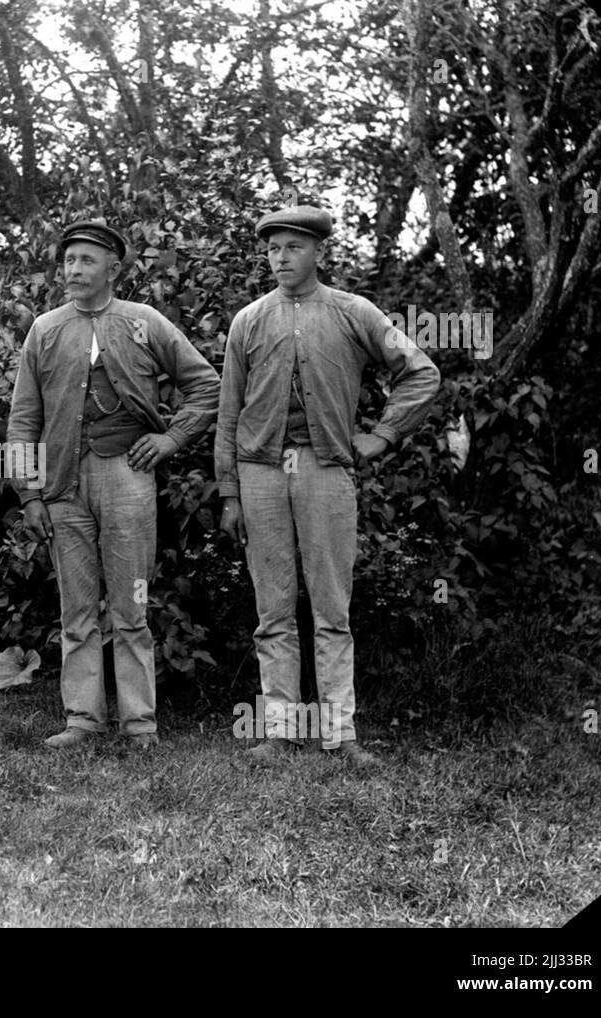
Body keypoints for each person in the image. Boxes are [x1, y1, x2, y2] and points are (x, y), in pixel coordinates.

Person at [214, 205, 441, 768]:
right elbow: (227, 413)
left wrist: (383, 435)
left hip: (326, 470)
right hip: (260, 472)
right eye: (272, 249)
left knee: (332, 608)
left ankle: (340, 734)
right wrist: (228, 493)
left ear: (318, 251)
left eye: (293, 247)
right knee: (273, 610)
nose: (281, 258)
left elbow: (421, 372)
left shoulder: (352, 311)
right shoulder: (249, 320)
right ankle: (281, 731)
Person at [6, 220, 220, 751]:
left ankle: (139, 723)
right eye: (69, 261)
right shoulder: (45, 329)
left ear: (114, 269)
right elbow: (22, 420)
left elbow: (206, 386)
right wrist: (29, 493)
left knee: (130, 604)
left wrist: (170, 441)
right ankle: (82, 720)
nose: (74, 270)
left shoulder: (144, 322)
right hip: (62, 483)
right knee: (76, 610)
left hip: (128, 476)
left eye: (87, 261)